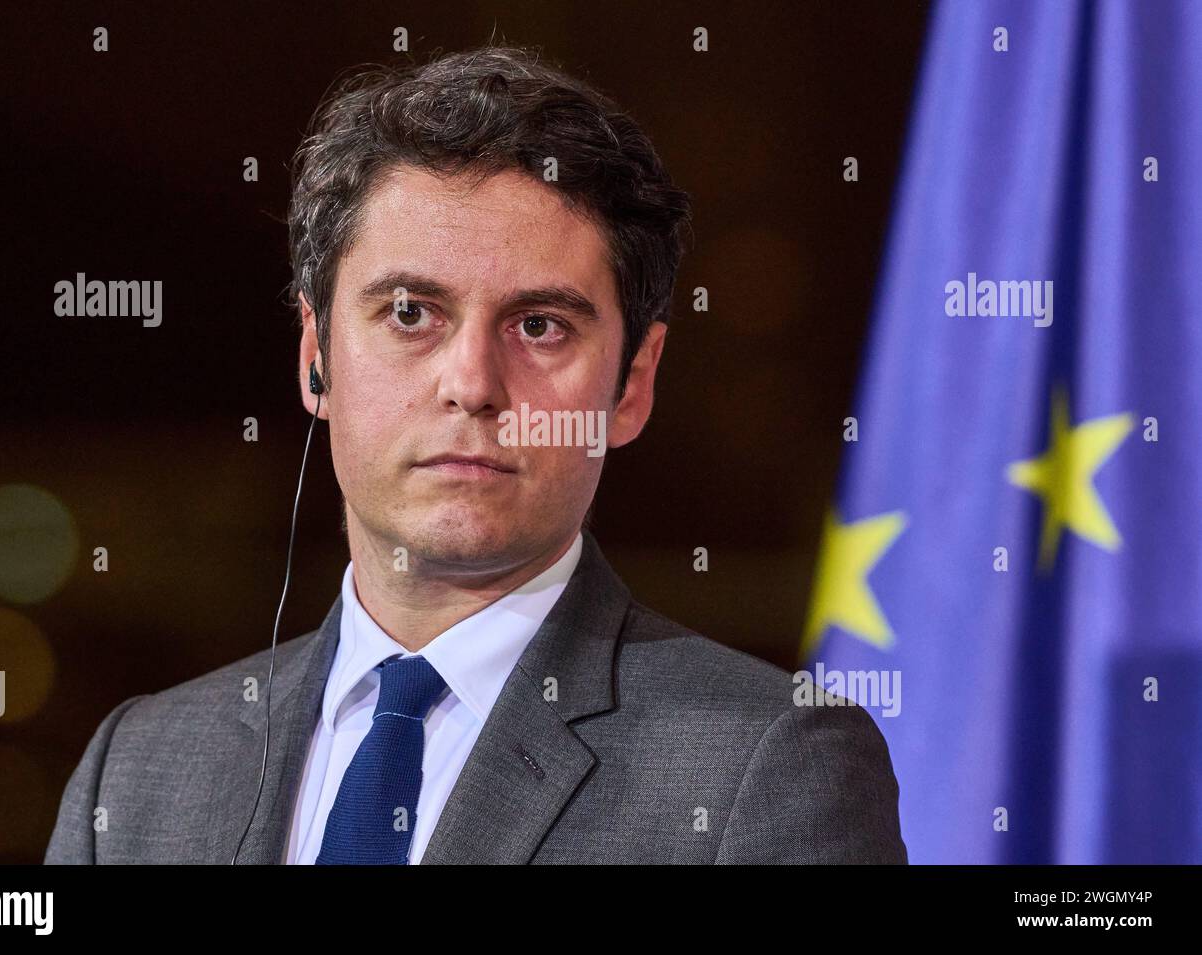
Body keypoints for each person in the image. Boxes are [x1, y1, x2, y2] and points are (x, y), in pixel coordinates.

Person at [45, 45, 907, 864]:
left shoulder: (769, 768)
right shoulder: (136, 771)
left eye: (540, 325)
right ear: (316, 355)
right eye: (411, 313)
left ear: (632, 384)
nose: (473, 384)